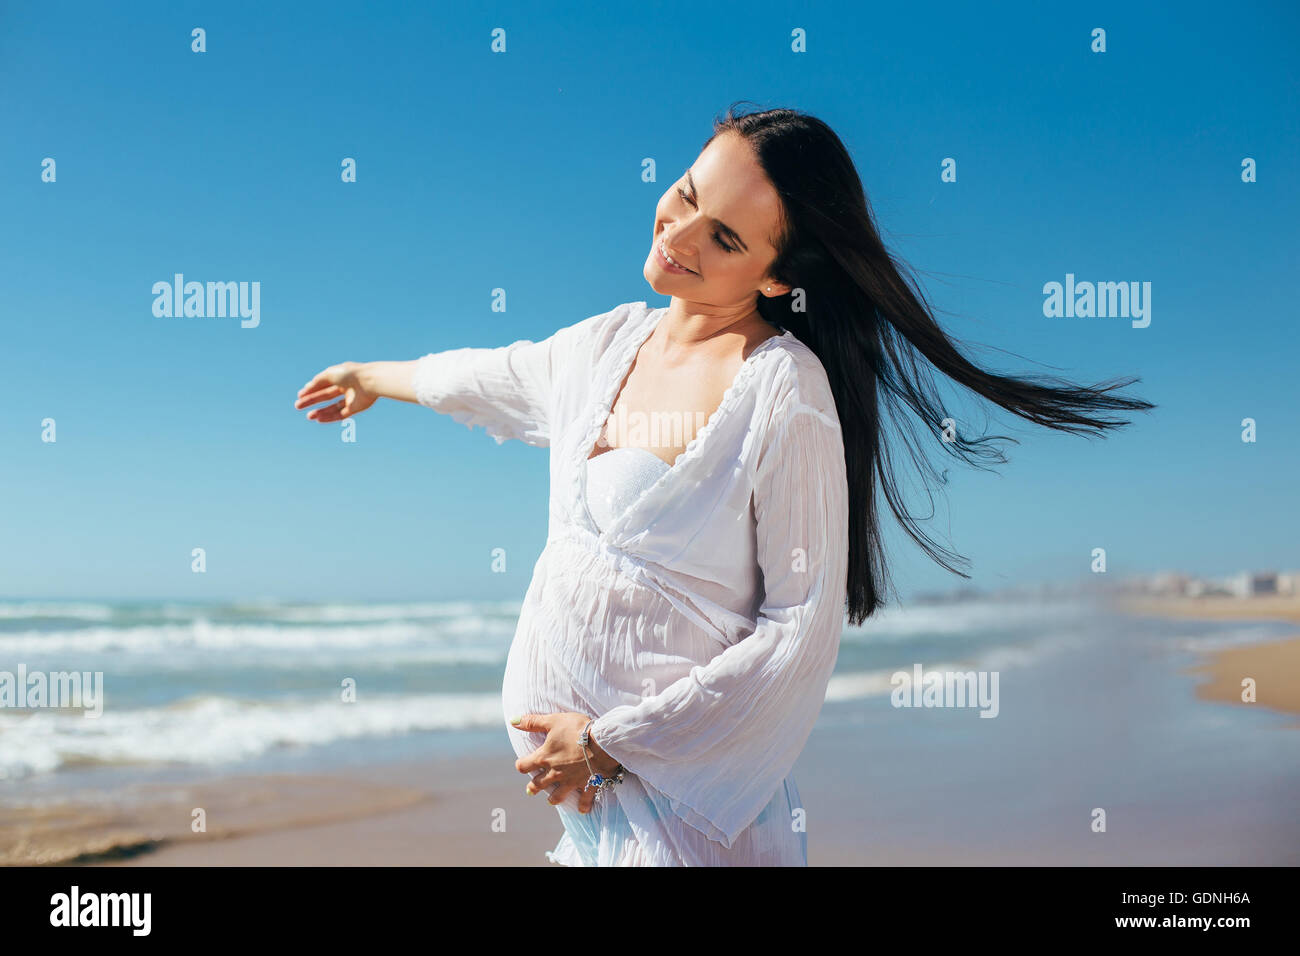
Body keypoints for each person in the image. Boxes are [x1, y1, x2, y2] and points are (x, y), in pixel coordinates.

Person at [293, 103, 1155, 866]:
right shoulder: (605, 345)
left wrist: (605, 743)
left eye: (726, 238)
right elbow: (488, 375)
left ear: (778, 278)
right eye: (688, 194)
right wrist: (372, 374)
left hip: (689, 822)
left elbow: (799, 633)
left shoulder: (785, 392)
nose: (680, 232)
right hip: (599, 820)